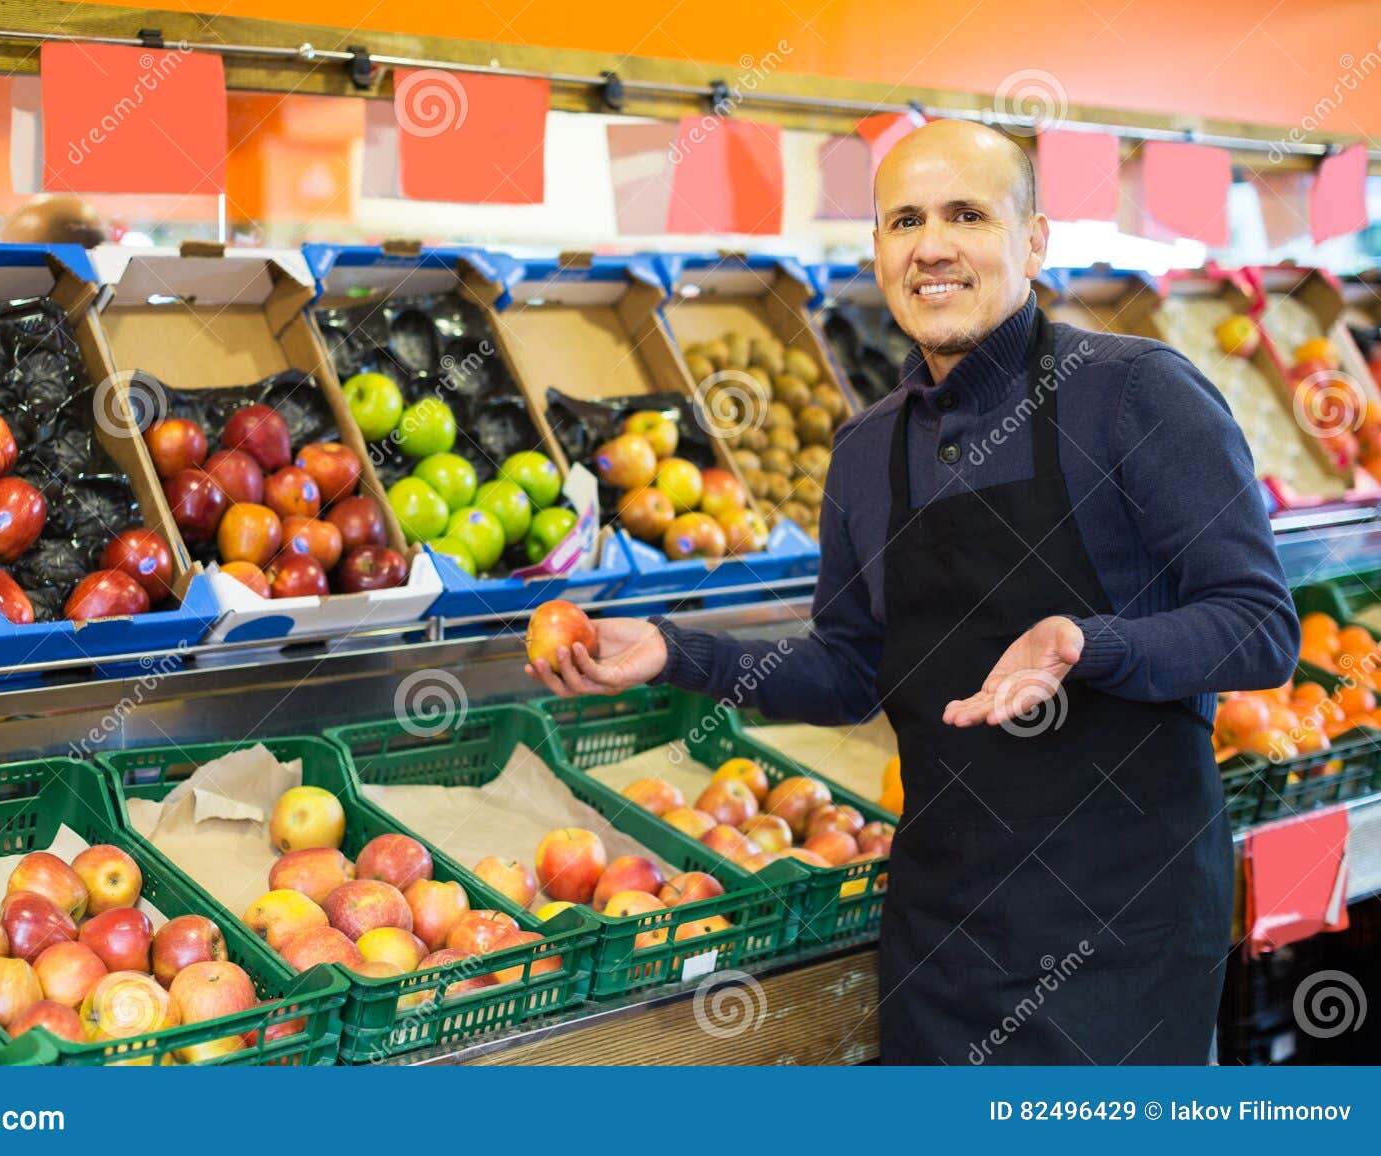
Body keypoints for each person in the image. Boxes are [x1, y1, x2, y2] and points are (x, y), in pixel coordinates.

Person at [527, 119, 1300, 1064]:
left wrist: (1087, 644)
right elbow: (853, 669)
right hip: (948, 929)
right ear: (881, 251)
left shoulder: (1137, 394)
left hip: (1122, 929)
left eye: (966, 213)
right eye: (903, 222)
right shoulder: (866, 451)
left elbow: (1260, 628)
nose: (931, 246)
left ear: (1034, 240)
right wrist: (678, 652)